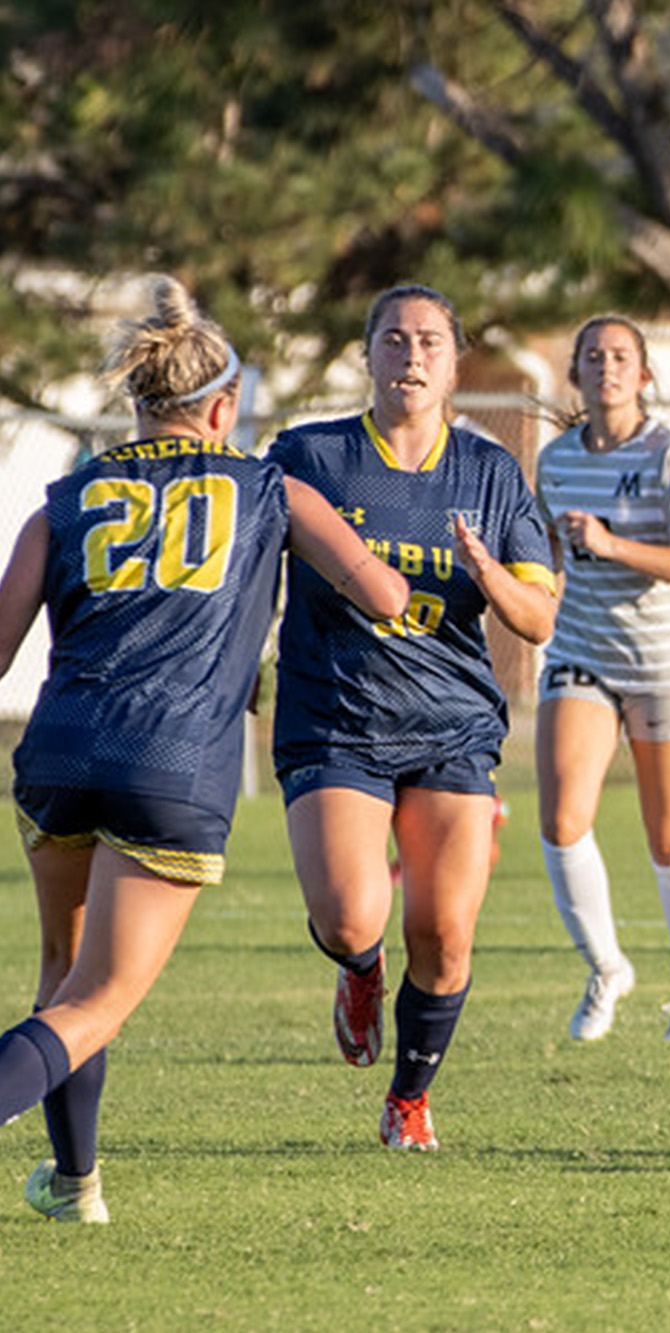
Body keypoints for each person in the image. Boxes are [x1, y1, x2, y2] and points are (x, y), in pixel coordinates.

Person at [0, 278, 408, 1221]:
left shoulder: (67, 498)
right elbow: (383, 597)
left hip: (59, 754)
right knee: (95, 1001)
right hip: (171, 763)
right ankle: (68, 1176)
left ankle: (75, 1184)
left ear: (138, 402)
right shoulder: (267, 485)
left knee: (63, 976)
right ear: (224, 407)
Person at [269, 283, 557, 1150]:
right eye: (394, 339)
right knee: (355, 918)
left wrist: (488, 569)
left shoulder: (490, 472)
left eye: (430, 340)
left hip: (452, 724)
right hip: (334, 718)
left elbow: (538, 618)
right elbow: (245, 569)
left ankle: (408, 1100)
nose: (413, 355)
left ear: (456, 362)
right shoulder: (308, 456)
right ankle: (359, 971)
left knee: (444, 933)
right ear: (368, 355)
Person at [535, 315, 670, 1043]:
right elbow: (548, 558)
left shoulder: (668, 456)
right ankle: (608, 966)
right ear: (575, 373)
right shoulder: (555, 460)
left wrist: (613, 544)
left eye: (620, 357)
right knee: (559, 821)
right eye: (592, 356)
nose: (606, 368)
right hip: (582, 651)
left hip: (667, 667)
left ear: (644, 375)